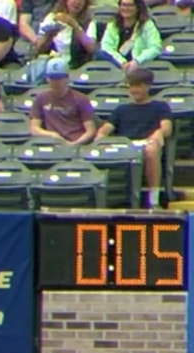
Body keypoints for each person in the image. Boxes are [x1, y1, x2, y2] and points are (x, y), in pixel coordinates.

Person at [94, 67, 172, 207]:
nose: (134, 90)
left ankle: (153, 200)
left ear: (147, 86)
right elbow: (105, 129)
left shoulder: (160, 107)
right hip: (124, 145)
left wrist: (158, 133)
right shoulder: (121, 109)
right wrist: (101, 137)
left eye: (138, 86)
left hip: (147, 144)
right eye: (131, 86)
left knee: (152, 149)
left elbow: (166, 128)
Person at [28, 56, 97, 143]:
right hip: (52, 143)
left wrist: (74, 144)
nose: (55, 82)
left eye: (59, 78)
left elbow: (90, 131)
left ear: (67, 78)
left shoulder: (81, 99)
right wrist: (51, 135)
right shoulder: (41, 98)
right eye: (52, 78)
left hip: (76, 141)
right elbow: (34, 128)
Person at [23, 0, 100, 77]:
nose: (77, 2)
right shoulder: (52, 18)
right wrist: (49, 36)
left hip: (77, 70)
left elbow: (91, 48)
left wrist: (75, 26)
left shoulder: (89, 22)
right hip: (52, 69)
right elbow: (39, 49)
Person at [98, 0, 162, 70]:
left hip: (139, 64)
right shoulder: (113, 24)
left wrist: (137, 61)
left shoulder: (147, 24)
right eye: (124, 5)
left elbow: (155, 47)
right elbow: (106, 47)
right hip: (117, 63)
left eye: (130, 5)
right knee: (100, 54)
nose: (126, 8)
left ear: (137, 7)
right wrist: (123, 62)